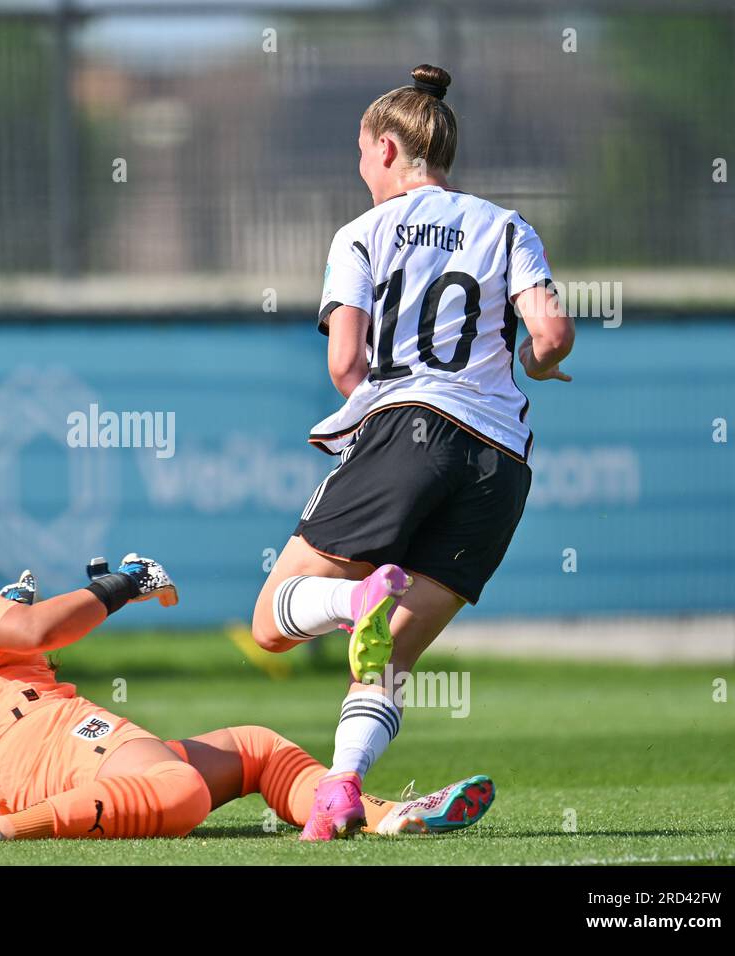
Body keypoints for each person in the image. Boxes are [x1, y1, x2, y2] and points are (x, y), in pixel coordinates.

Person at [0, 472, 491, 841]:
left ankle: (380, 815)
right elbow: (35, 633)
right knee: (181, 794)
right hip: (40, 749)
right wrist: (120, 585)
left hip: (32, 750)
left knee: (258, 750)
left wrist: (23, 613)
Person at [251, 64, 574, 840]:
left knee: (270, 619)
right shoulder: (505, 225)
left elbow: (342, 365)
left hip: (410, 428)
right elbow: (551, 337)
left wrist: (375, 415)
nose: (362, 169)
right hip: (501, 462)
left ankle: (353, 601)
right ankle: (341, 792)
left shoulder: (360, 234)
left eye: (364, 154)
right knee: (388, 658)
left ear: (389, 148)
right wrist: (536, 364)